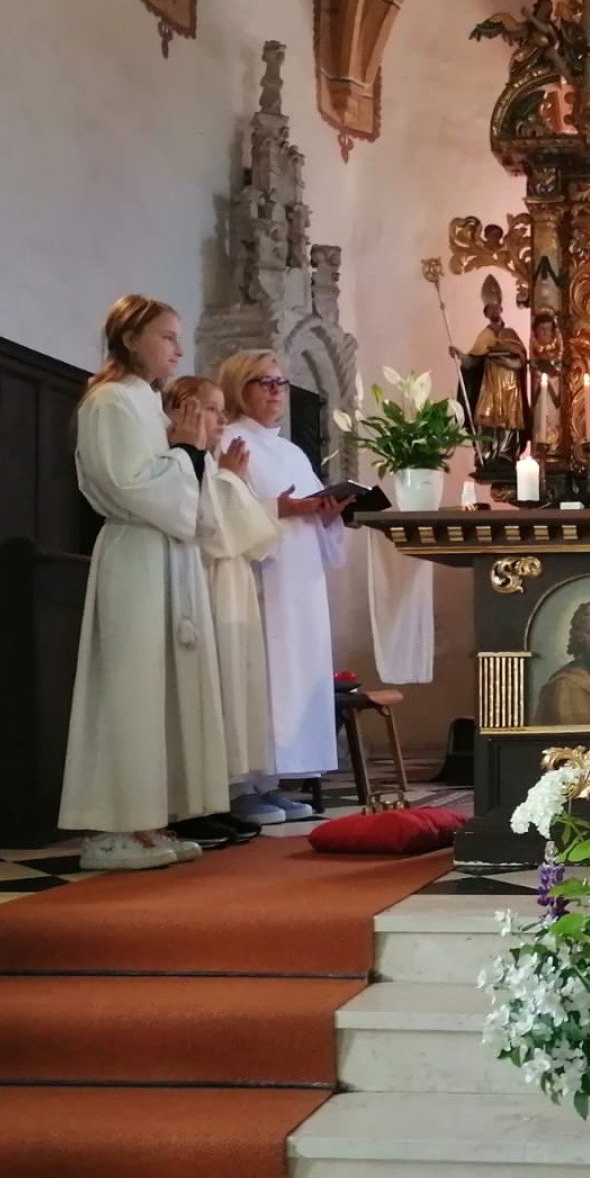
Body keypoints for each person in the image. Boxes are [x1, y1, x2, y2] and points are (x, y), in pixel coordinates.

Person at [57, 296, 227, 870]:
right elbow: (130, 486)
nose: (179, 349)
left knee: (157, 692)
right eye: (167, 337)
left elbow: (184, 492)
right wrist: (185, 452)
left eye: (179, 338)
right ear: (131, 339)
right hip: (135, 557)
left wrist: (188, 455)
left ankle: (148, 819)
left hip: (166, 557)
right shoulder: (108, 401)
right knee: (129, 690)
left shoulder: (149, 405)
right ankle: (108, 829)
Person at [218, 350, 349, 824]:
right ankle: (242, 787)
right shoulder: (230, 441)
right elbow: (223, 509)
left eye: (281, 383)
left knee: (293, 681)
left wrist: (327, 516)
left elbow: (308, 511)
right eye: (263, 382)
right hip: (263, 581)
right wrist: (280, 511)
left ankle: (272, 782)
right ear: (239, 388)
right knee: (263, 678)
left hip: (301, 581)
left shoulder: (292, 451)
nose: (276, 391)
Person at [164, 376, 284, 829]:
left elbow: (251, 530)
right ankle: (217, 796)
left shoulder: (213, 467)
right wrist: (233, 480)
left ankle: (231, 790)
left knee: (239, 683)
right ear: (183, 411)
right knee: (218, 687)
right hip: (209, 582)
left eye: (219, 410)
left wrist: (231, 480)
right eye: (211, 411)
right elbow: (211, 525)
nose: (220, 422)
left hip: (233, 583)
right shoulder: (186, 463)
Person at [452, 274, 528, 463]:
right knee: (487, 418)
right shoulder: (484, 335)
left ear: (501, 309)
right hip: (490, 385)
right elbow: (472, 362)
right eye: (490, 309)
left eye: (496, 308)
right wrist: (459, 354)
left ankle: (507, 452)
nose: (494, 312)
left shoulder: (510, 333)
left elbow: (521, 358)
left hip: (510, 386)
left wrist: (510, 358)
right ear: (486, 313)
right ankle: (486, 452)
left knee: (509, 420)